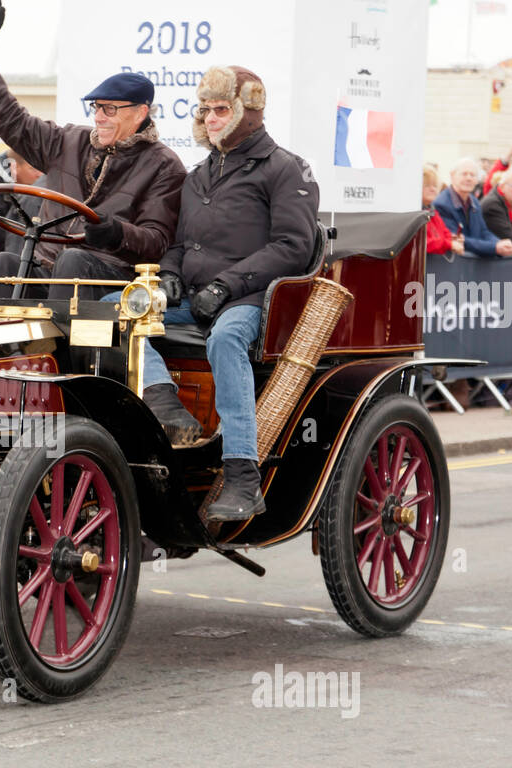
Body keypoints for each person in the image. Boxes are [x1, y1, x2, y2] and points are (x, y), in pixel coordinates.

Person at [135, 65, 318, 520]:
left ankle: (242, 477)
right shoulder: (199, 174)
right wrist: (171, 273)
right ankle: (166, 409)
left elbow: (294, 247)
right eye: (205, 110)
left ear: (249, 113)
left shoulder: (285, 168)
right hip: (195, 297)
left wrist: (227, 285)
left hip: (253, 300)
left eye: (221, 109)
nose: (211, 118)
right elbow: (177, 243)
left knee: (226, 338)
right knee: (119, 314)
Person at [0, 0, 184, 299]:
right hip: (48, 267)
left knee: (73, 259)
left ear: (140, 112)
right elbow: (13, 121)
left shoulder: (163, 165)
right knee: (4, 262)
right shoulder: (68, 141)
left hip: (109, 275)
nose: (98, 117)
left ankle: (66, 347)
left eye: (109, 109)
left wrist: (116, 232)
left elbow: (157, 240)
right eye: (96, 108)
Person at [432, 158, 512, 257]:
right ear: (452, 176)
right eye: (464, 174)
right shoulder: (442, 204)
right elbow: (456, 240)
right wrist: (494, 247)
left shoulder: (474, 201)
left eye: (472, 175)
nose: (469, 178)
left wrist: (499, 243)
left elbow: (483, 231)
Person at [423, 164, 463, 255]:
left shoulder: (433, 211)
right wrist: (449, 244)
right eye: (427, 185)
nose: (432, 189)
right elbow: (423, 244)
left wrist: (454, 239)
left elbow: (445, 233)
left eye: (434, 185)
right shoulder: (416, 213)